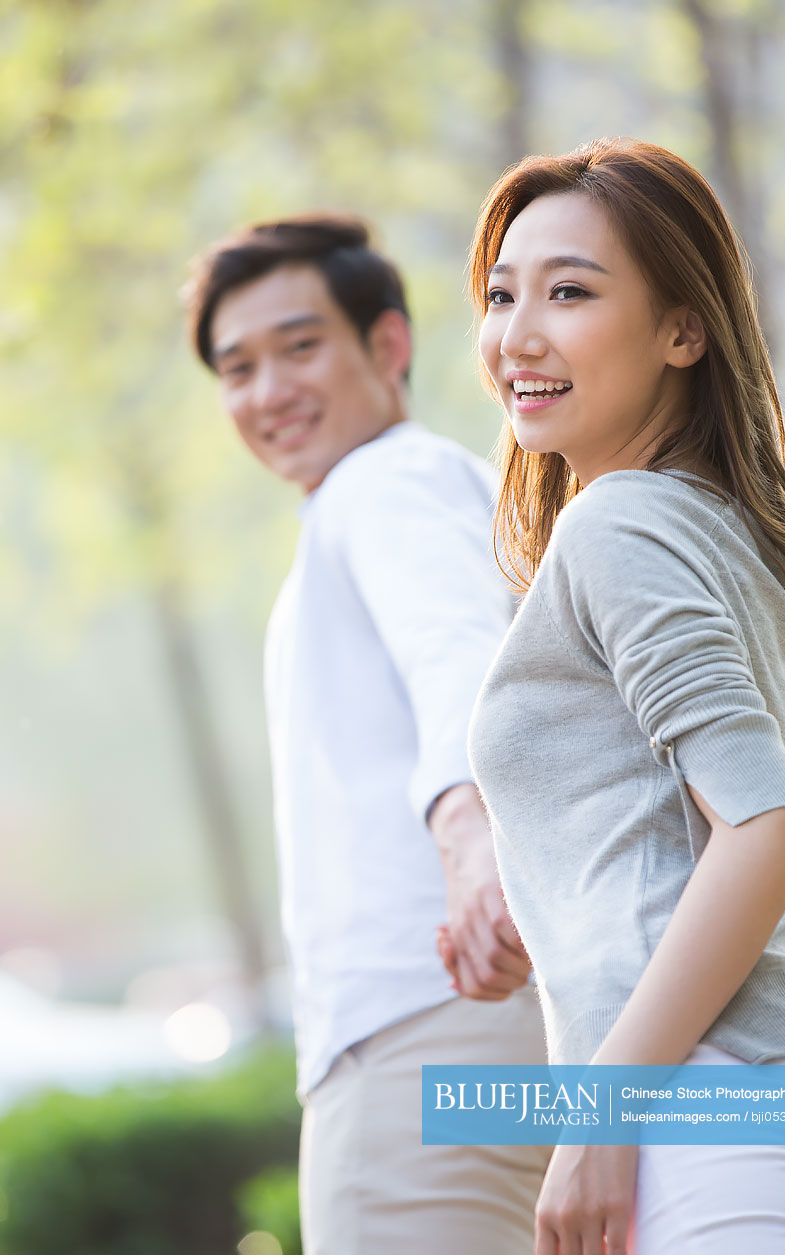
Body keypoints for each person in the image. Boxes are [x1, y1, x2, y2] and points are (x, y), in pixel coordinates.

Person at [463, 138, 785, 1254]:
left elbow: (768, 827)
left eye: (570, 292)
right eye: (500, 293)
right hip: (761, 1085)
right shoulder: (708, 525)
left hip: (701, 1096)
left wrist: (600, 1118)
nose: (518, 334)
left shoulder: (622, 522)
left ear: (684, 329)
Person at [183, 216, 550, 1254]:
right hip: (506, 1023)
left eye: (300, 347)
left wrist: (472, 842)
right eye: (236, 367)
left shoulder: (381, 483)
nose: (267, 393)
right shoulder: (456, 494)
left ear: (388, 346)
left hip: (414, 1028)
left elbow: (460, 661)